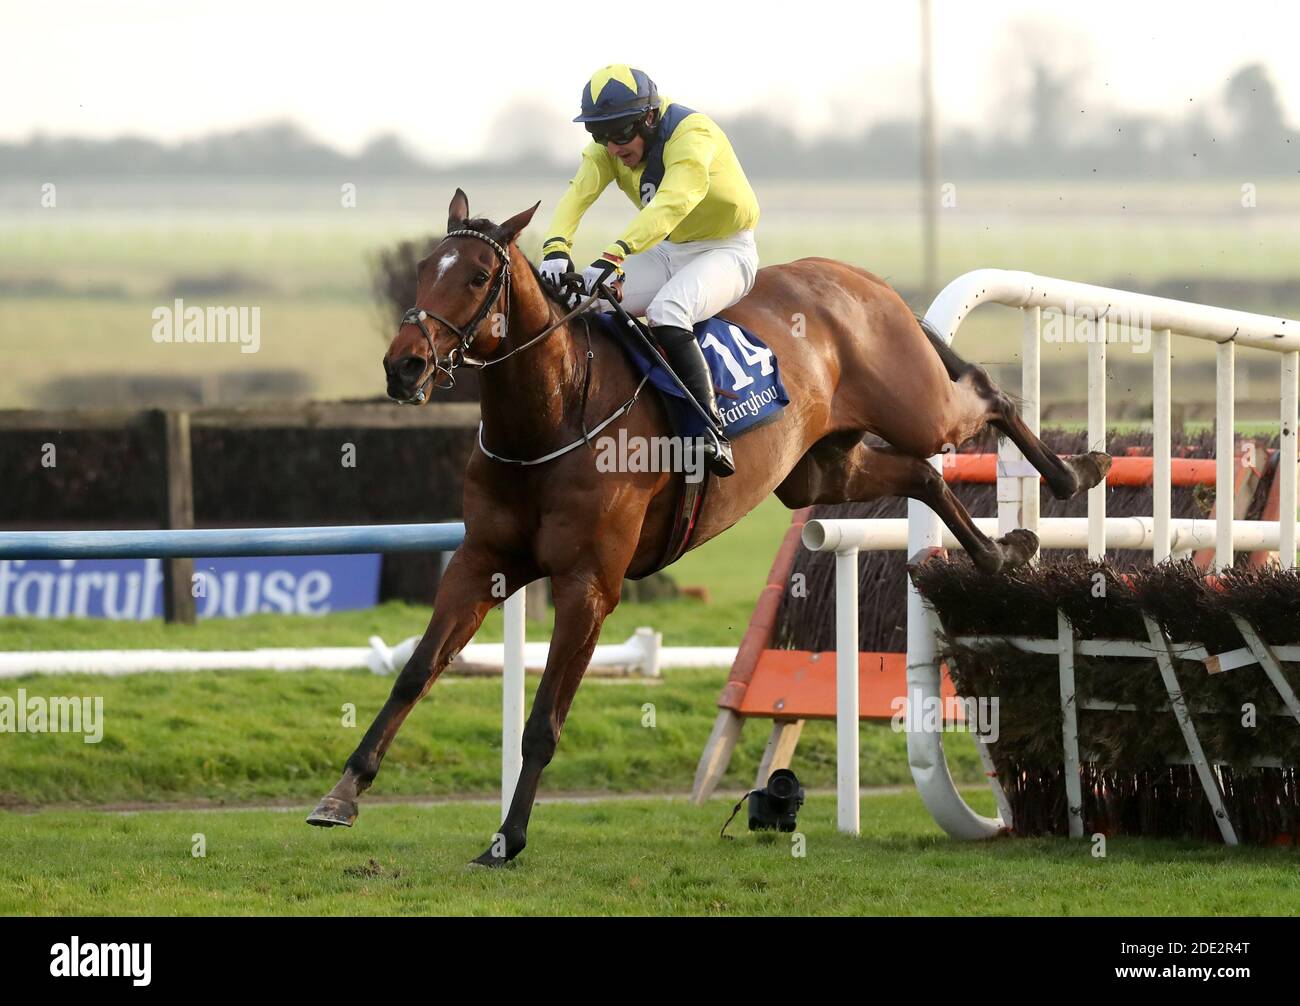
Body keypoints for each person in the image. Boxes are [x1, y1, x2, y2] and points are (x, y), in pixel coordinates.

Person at [538, 65, 761, 477]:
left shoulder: (693, 135)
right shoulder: (608, 148)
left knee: (669, 311)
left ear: (650, 118)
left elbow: (673, 203)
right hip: (666, 250)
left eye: (621, 133)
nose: (612, 147)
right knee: (584, 302)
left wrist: (615, 255)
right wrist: (555, 247)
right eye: (599, 135)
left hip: (726, 250)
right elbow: (577, 195)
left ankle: (709, 430)